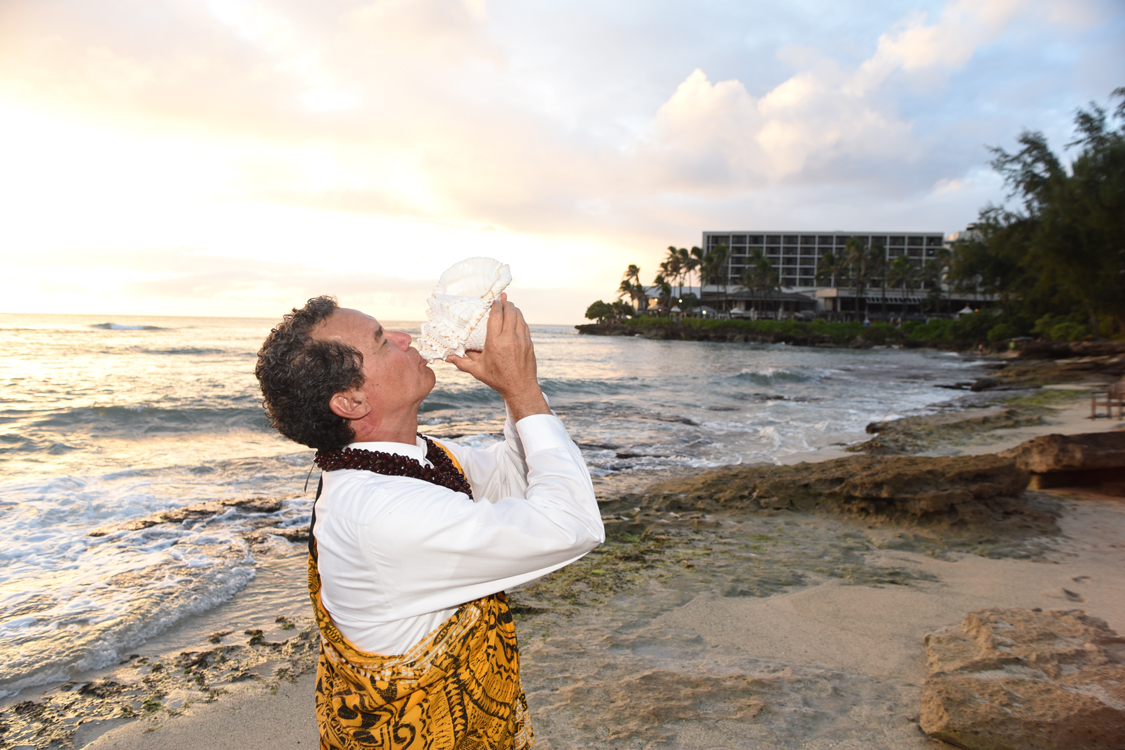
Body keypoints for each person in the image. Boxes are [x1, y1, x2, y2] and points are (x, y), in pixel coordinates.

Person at [254, 295, 603, 750]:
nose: (404, 338)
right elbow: (571, 525)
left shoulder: (406, 459)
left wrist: (510, 390)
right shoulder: (380, 513)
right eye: (382, 342)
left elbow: (511, 482)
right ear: (352, 401)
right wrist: (523, 390)